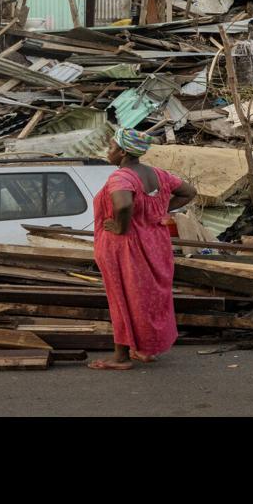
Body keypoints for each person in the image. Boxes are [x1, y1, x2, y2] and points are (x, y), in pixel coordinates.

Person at [88, 127, 197, 371]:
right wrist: (157, 211)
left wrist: (119, 226)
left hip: (126, 247)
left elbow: (124, 203)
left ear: (124, 152)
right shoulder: (157, 175)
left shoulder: (122, 177)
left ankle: (121, 358)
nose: (109, 152)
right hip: (155, 244)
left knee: (122, 298)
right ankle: (145, 350)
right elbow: (189, 192)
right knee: (148, 298)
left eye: (112, 147)